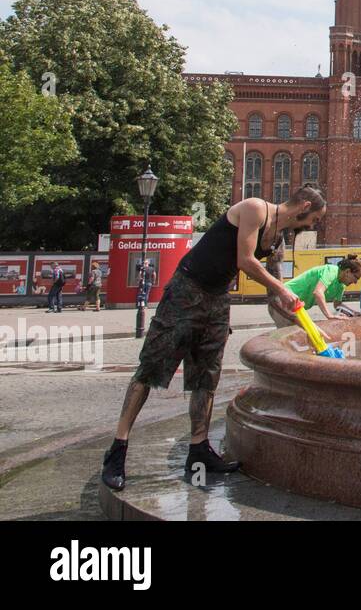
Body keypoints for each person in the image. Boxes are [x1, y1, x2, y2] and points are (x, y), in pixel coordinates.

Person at [101, 187, 326, 491]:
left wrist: (307, 325)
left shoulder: (277, 242)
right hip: (187, 288)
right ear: (305, 205)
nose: (312, 225)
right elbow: (246, 260)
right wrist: (283, 290)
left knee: (207, 375)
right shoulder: (255, 209)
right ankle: (117, 450)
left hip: (217, 299)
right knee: (150, 369)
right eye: (313, 218)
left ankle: (199, 450)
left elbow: (277, 295)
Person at [268, 255, 361, 327]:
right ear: (347, 271)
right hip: (282, 300)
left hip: (293, 306)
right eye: (356, 278)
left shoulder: (341, 285)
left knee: (298, 337)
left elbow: (337, 305)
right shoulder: (332, 271)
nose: (356, 282)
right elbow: (318, 293)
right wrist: (329, 315)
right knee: (294, 338)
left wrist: (353, 313)